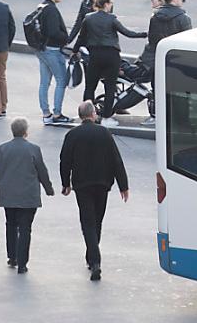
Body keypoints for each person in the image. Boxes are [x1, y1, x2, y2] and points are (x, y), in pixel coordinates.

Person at [59, 100, 130, 281]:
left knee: (87, 222)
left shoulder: (72, 135)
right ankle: (93, 257)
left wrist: (65, 183)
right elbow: (116, 160)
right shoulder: (104, 133)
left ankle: (94, 259)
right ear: (93, 115)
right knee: (97, 220)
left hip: (82, 185)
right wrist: (123, 185)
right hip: (103, 183)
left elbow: (65, 161)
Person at [0, 116, 54, 274]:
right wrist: (48, 189)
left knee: (11, 224)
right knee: (25, 228)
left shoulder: (3, 149)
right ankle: (23, 263)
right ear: (26, 132)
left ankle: (12, 256)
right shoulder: (34, 149)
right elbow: (42, 171)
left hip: (9, 195)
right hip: (28, 196)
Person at [73, 0, 145, 125]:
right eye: (110, 3)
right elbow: (128, 33)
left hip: (95, 56)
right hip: (112, 56)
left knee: (90, 87)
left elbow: (81, 37)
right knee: (110, 87)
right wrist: (144, 34)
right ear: (106, 4)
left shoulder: (88, 19)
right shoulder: (112, 19)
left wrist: (74, 51)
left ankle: (87, 116)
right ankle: (106, 117)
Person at [137, 0, 192, 124]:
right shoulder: (183, 18)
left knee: (158, 89)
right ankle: (181, 119)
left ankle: (156, 116)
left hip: (158, 59)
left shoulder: (155, 17)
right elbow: (187, 42)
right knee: (179, 92)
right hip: (177, 63)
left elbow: (152, 39)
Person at [32, 0, 71, 125]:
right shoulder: (52, 9)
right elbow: (54, 32)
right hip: (53, 50)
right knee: (61, 81)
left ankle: (46, 113)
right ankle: (57, 113)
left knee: (44, 82)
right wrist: (66, 37)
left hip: (42, 49)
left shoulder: (41, 6)